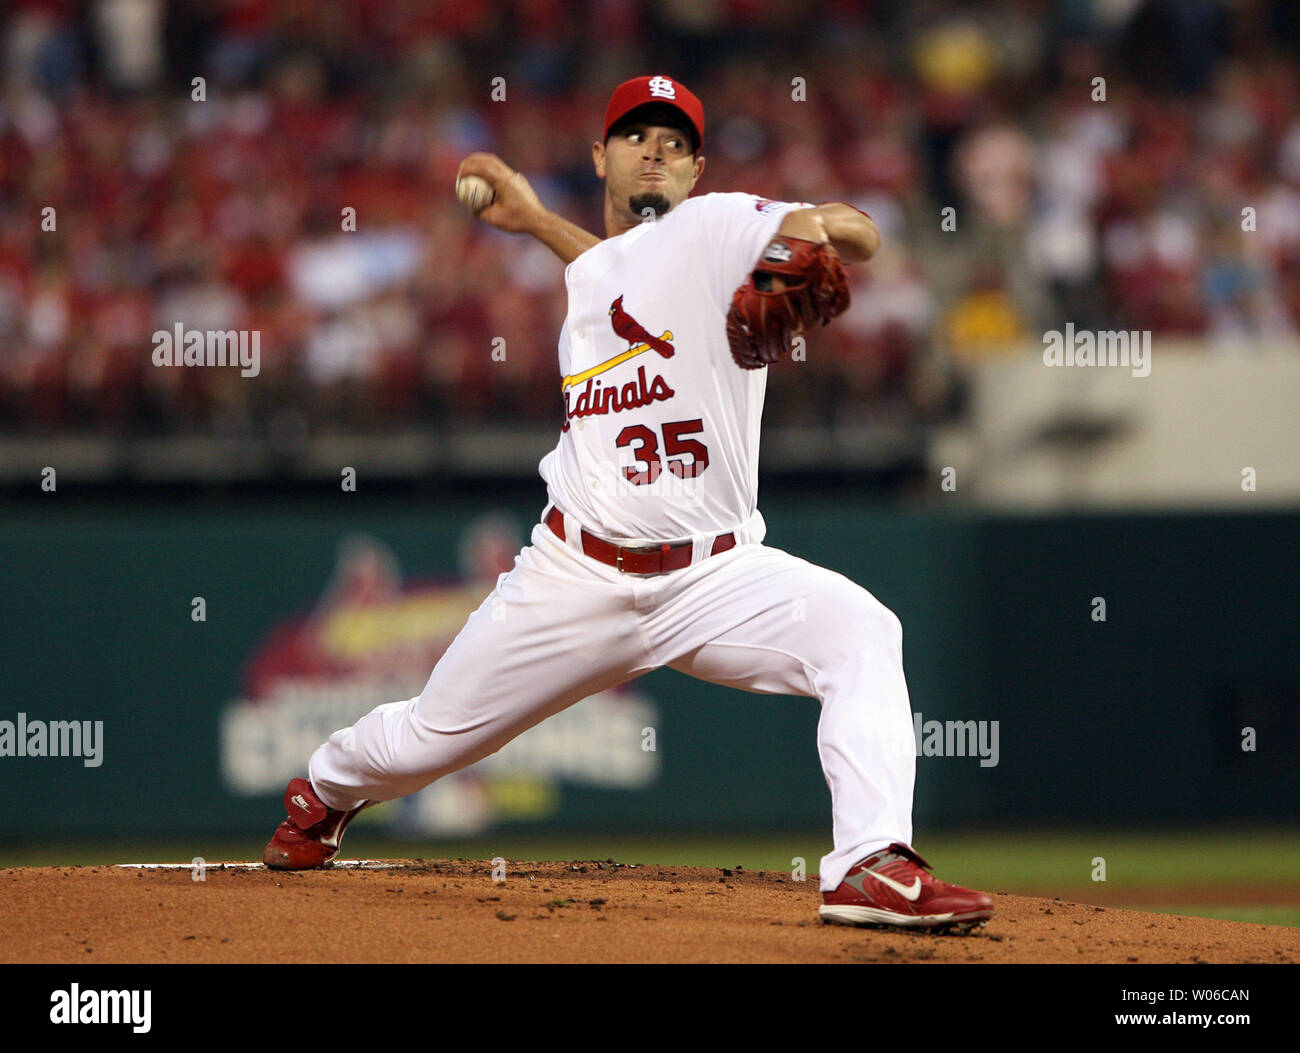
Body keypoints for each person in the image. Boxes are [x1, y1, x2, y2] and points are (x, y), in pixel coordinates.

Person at [263, 75, 994, 930]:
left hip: (715, 575)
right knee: (426, 738)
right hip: (573, 575)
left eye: (676, 141)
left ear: (698, 169)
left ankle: (867, 863)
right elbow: (620, 273)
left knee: (864, 630)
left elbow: (855, 232)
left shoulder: (721, 225)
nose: (656, 149)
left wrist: (803, 237)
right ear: (601, 157)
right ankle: (325, 789)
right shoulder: (597, 274)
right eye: (637, 135)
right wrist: (535, 221)